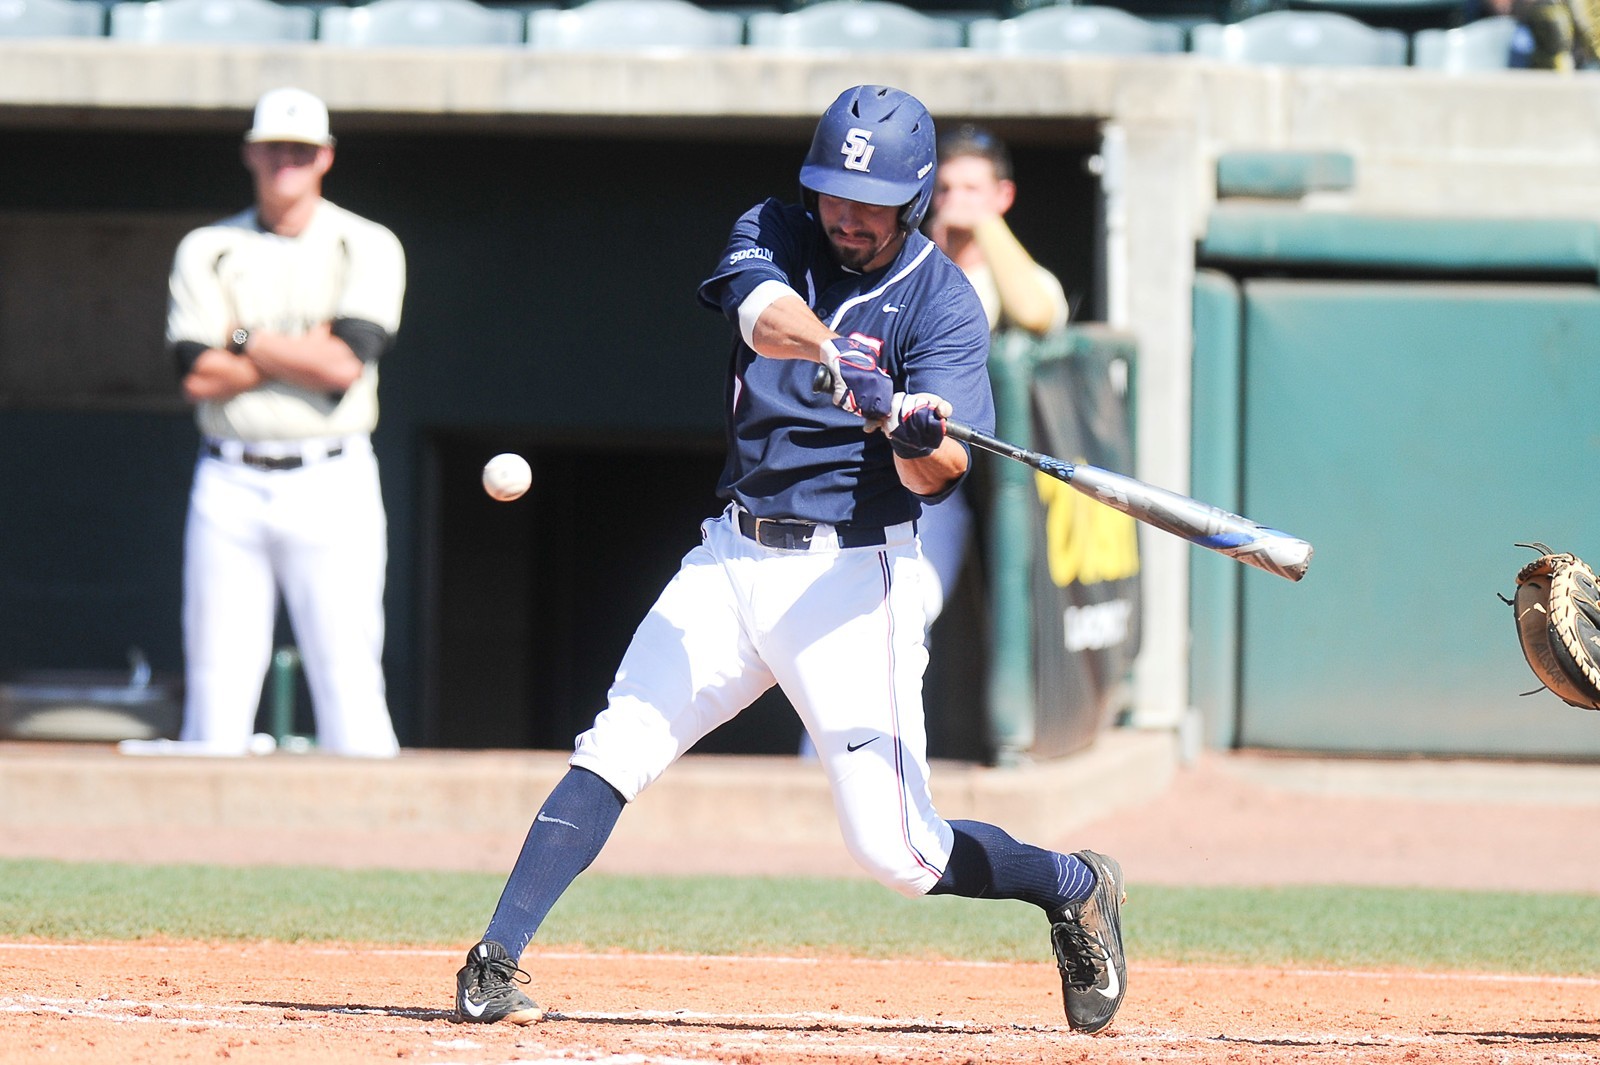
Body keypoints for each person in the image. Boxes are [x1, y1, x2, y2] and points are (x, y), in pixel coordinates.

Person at [451, 84, 1127, 1036]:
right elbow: (761, 314)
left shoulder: (944, 301)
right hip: (733, 554)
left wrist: (909, 429)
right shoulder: (774, 228)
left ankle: (1070, 883)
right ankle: (494, 958)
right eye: (835, 194)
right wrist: (839, 354)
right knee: (619, 740)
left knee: (902, 853)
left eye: (872, 202)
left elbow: (940, 475)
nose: (848, 216)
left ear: (915, 199)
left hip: (853, 579)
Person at [162, 87, 406, 758]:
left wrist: (241, 338)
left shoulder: (364, 242)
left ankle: (368, 825)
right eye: (274, 148)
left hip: (330, 472)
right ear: (251, 153)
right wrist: (294, 350)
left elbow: (343, 363)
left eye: (300, 150)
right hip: (229, 474)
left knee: (349, 682)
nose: (286, 162)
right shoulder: (208, 247)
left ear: (325, 156)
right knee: (216, 692)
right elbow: (196, 375)